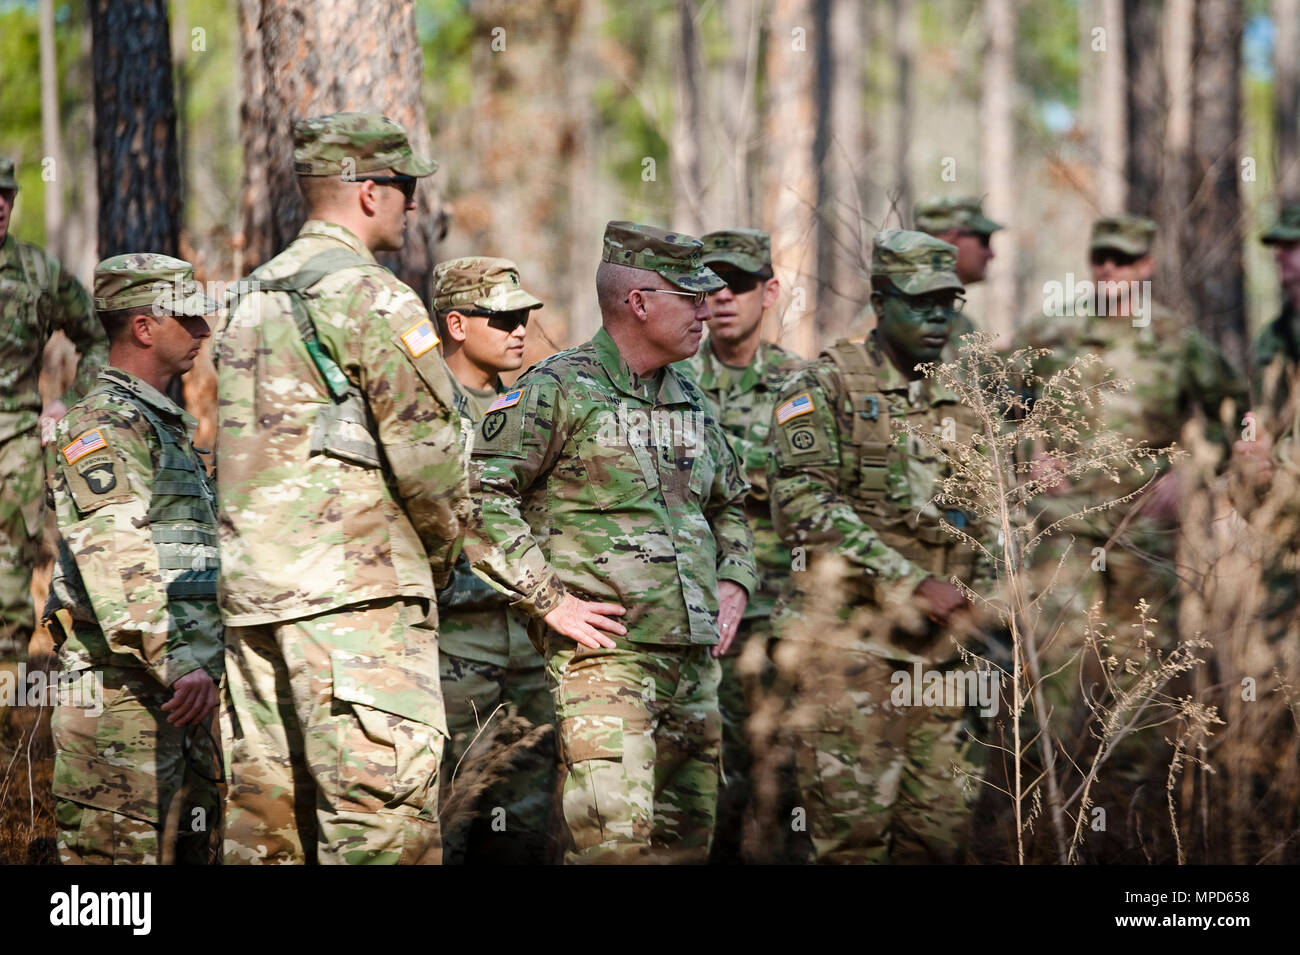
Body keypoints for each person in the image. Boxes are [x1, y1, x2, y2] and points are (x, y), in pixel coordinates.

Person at [214, 112, 471, 865]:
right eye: (405, 187)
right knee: (380, 837)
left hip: (256, 608)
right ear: (367, 192)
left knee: (266, 841)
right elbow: (431, 469)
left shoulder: (248, 297)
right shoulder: (375, 298)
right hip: (358, 615)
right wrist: (441, 560)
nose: (413, 204)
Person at [465, 221, 757, 863]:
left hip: (693, 665)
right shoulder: (557, 389)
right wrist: (550, 601)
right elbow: (480, 498)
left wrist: (734, 582)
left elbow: (731, 501)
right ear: (640, 301)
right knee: (613, 848)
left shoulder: (691, 399)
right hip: (607, 664)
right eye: (691, 296)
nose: (706, 309)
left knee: (685, 847)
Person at [768, 230, 986, 863]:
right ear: (881, 301)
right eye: (920, 302)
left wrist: (996, 607)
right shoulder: (823, 388)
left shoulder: (967, 400)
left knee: (938, 840)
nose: (938, 316)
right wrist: (911, 582)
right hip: (851, 652)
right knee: (854, 844)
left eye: (948, 301)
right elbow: (804, 509)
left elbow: (989, 518)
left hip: (946, 663)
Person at [44, 253, 222, 864]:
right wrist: (177, 660)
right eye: (188, 320)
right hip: (121, 701)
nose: (202, 331)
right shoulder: (103, 427)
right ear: (144, 328)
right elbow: (116, 559)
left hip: (177, 694)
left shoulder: (161, 424)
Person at [673, 228, 803, 863]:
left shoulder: (802, 385)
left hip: (785, 614)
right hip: (695, 616)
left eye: (740, 284)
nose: (722, 297)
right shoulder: (670, 385)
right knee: (706, 783)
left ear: (769, 292)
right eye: (709, 284)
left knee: (789, 784)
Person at [430, 255, 557, 864]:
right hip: (456, 647)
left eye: (523, 318)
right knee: (449, 818)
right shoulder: (422, 409)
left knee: (527, 829)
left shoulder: (534, 407)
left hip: (532, 644)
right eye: (501, 318)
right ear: (457, 325)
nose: (518, 331)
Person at [0, 155, 107, 657]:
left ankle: (6, 719)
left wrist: (70, 400)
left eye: (6, 196)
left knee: (9, 586)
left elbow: (98, 336)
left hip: (15, 444)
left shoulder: (38, 271)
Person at [913, 195, 1001, 358]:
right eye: (984, 240)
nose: (991, 254)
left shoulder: (959, 323)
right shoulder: (898, 319)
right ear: (950, 239)